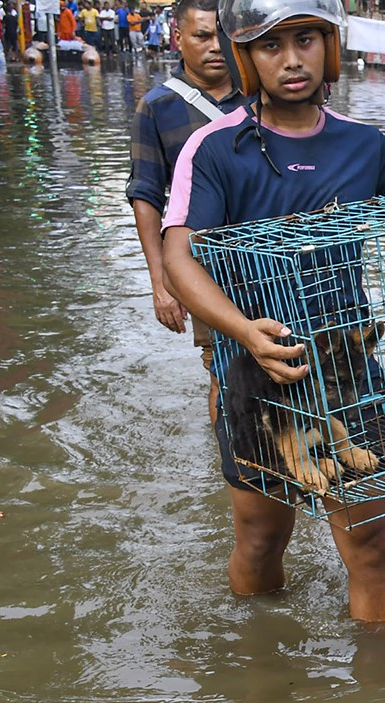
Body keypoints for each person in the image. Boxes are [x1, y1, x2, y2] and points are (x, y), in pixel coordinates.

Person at [162, 0, 385, 624]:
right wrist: (243, 332)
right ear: (246, 57)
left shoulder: (365, 146)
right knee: (262, 538)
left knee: (372, 550)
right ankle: (264, 672)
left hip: (349, 365)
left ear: (330, 47)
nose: (291, 60)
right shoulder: (215, 150)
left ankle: (376, 700)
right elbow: (179, 258)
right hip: (257, 369)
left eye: (305, 40)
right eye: (271, 45)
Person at [126, 0, 247, 423]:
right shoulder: (158, 107)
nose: (216, 46)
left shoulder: (260, 93)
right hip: (204, 268)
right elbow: (146, 196)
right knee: (227, 372)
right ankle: (234, 472)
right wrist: (161, 280)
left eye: (222, 35)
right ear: (178, 38)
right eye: (202, 36)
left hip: (271, 258)